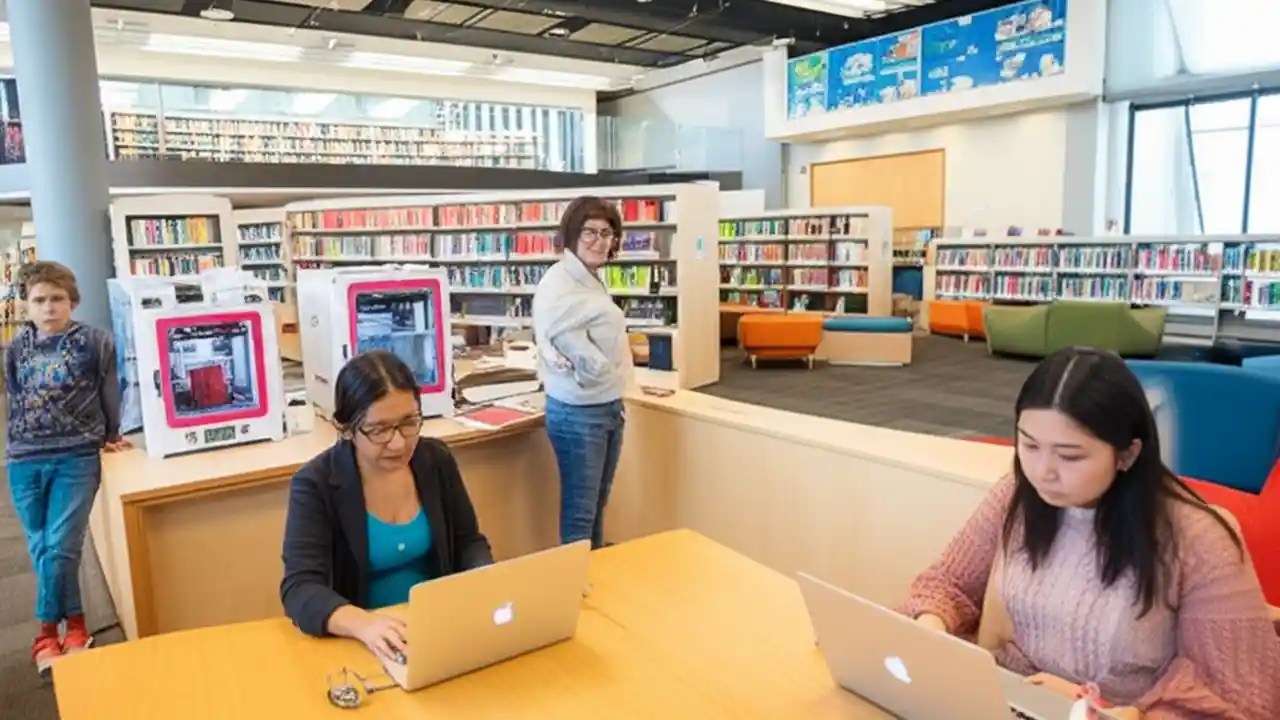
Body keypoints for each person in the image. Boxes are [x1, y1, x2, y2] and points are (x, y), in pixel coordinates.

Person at [899, 347, 1280, 718]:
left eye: (1070, 456)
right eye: (1029, 445)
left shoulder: (1196, 538)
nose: (1042, 471)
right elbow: (948, 584)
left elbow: (1235, 699)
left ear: (1127, 454)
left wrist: (1097, 709)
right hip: (1013, 700)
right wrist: (930, 629)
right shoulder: (1016, 494)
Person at [280, 350, 492, 664]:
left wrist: (487, 578)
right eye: (379, 430)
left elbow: (467, 542)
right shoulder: (316, 484)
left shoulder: (434, 460)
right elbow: (300, 588)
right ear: (347, 428)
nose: (399, 443)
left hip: (439, 632)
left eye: (409, 423)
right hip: (364, 644)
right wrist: (363, 624)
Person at [6, 261, 129, 675]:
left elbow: (111, 391)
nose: (48, 308)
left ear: (72, 302)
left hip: (76, 454)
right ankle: (75, 625)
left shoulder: (96, 341)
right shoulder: (16, 348)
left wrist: (111, 432)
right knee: (43, 548)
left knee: (60, 546)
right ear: (27, 305)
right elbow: (15, 395)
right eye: (39, 300)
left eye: (57, 299)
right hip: (23, 458)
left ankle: (44, 633)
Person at [532, 196, 634, 549]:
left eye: (607, 233)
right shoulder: (559, 286)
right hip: (578, 412)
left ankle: (594, 585)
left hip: (607, 406)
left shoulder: (590, 280)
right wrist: (613, 369)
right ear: (571, 235)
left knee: (597, 507)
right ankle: (576, 592)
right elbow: (584, 361)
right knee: (580, 516)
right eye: (589, 232)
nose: (599, 241)